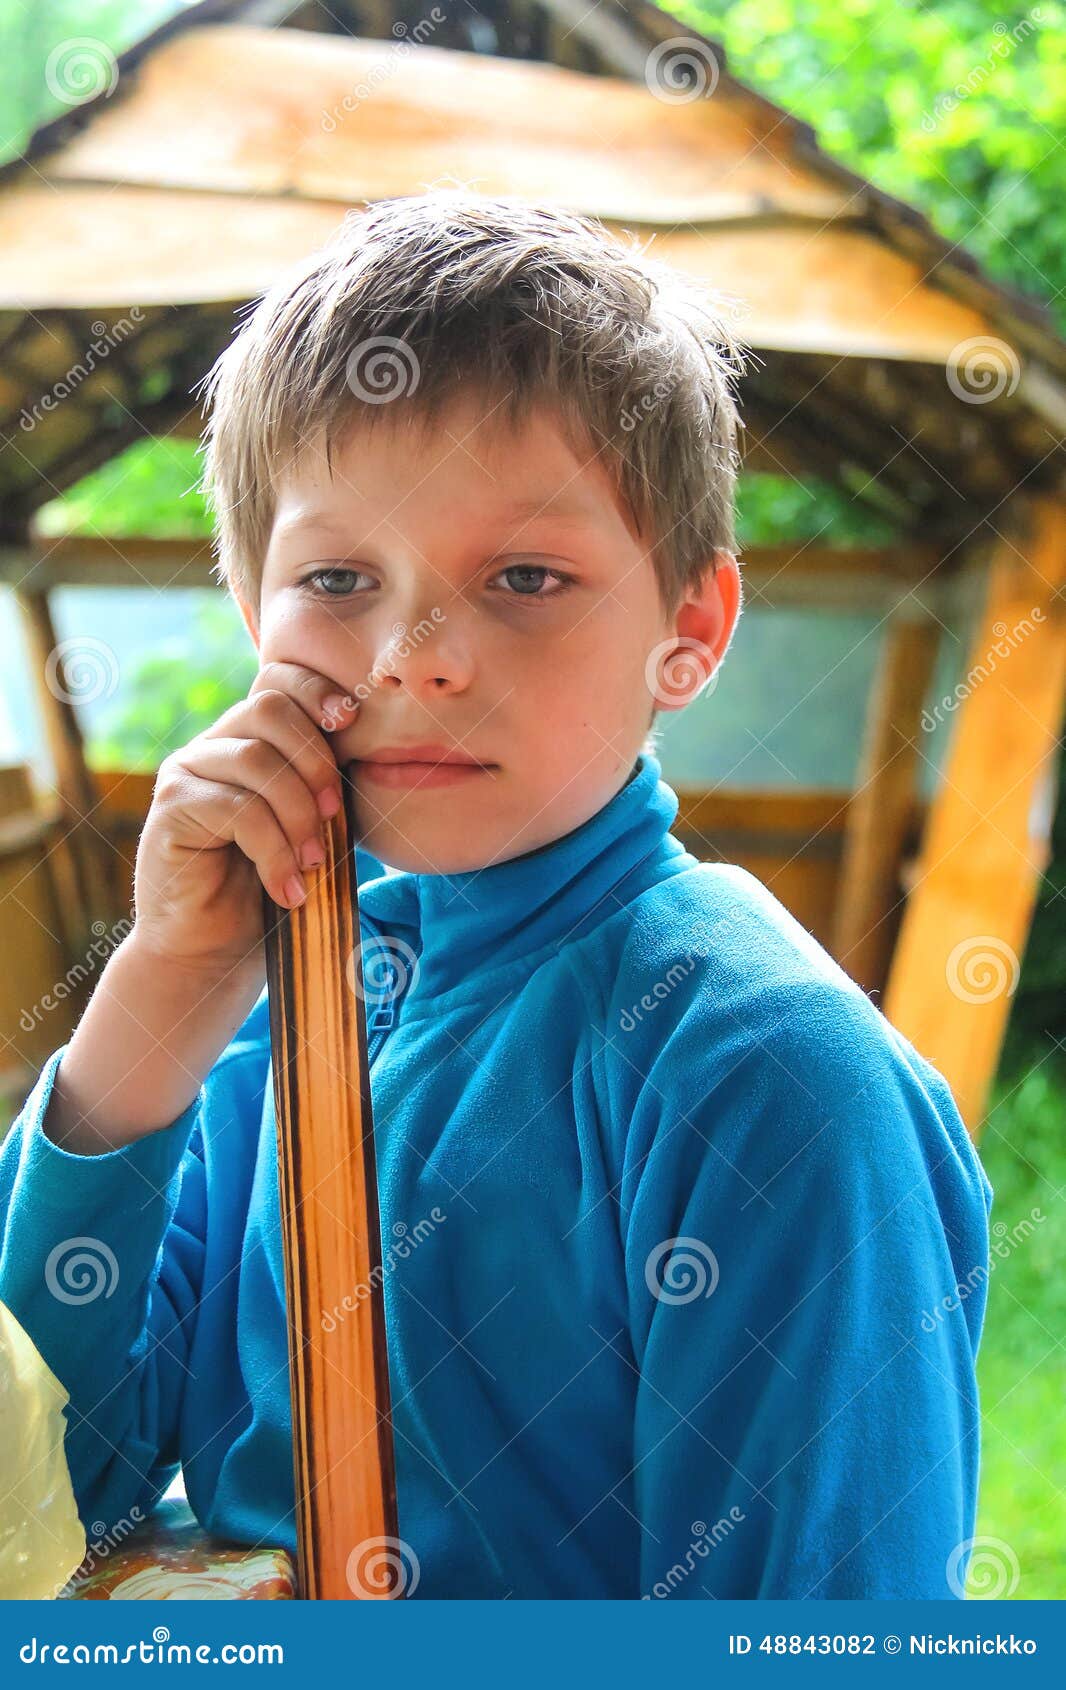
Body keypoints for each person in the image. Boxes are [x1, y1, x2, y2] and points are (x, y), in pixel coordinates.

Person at [0, 192, 991, 1599]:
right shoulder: (250, 1018)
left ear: (689, 626)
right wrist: (159, 996)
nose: (416, 654)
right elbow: (39, 1501)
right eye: (337, 576)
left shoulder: (761, 1075)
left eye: (526, 576)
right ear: (254, 614)